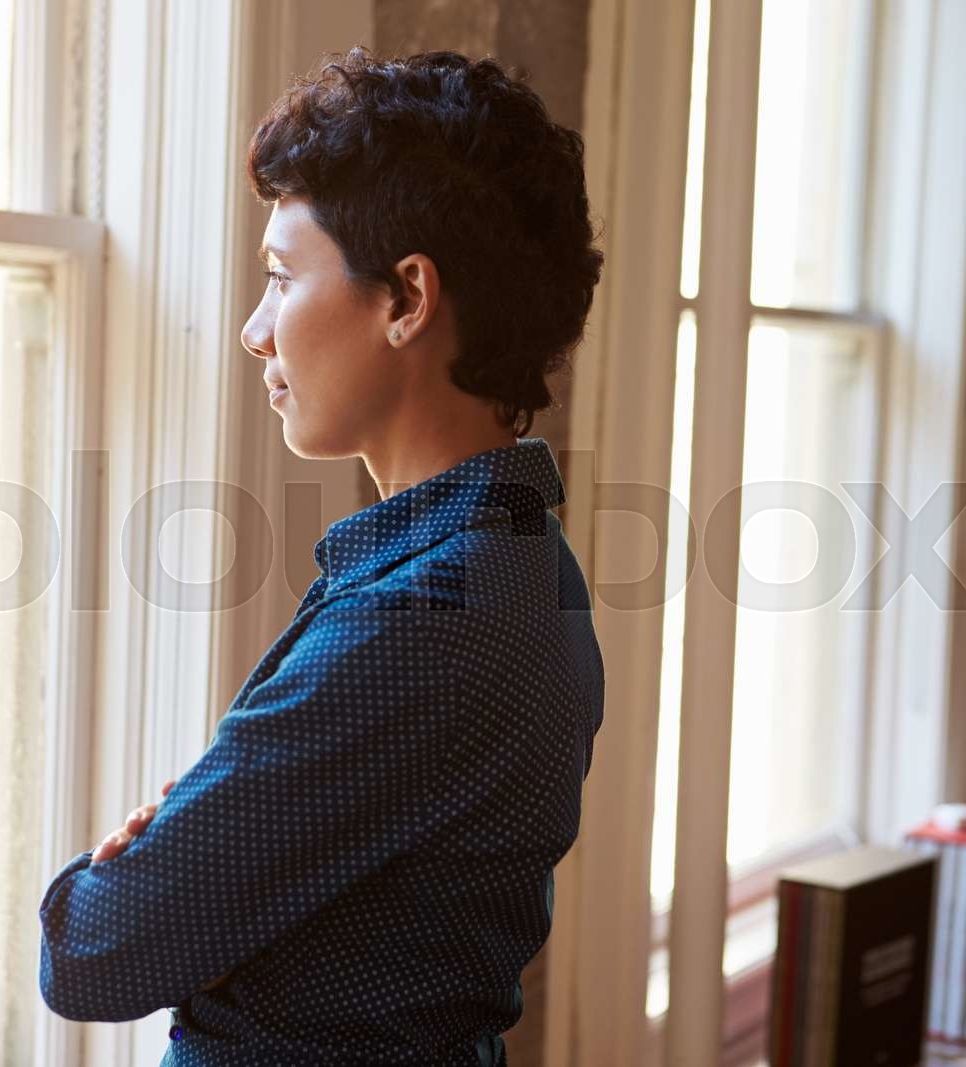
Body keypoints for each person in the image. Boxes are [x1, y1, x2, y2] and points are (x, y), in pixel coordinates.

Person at [38, 46, 606, 1066]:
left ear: (407, 298)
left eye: (280, 278)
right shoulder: (530, 559)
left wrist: (143, 865)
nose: (255, 332)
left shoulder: (419, 619)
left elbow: (93, 951)